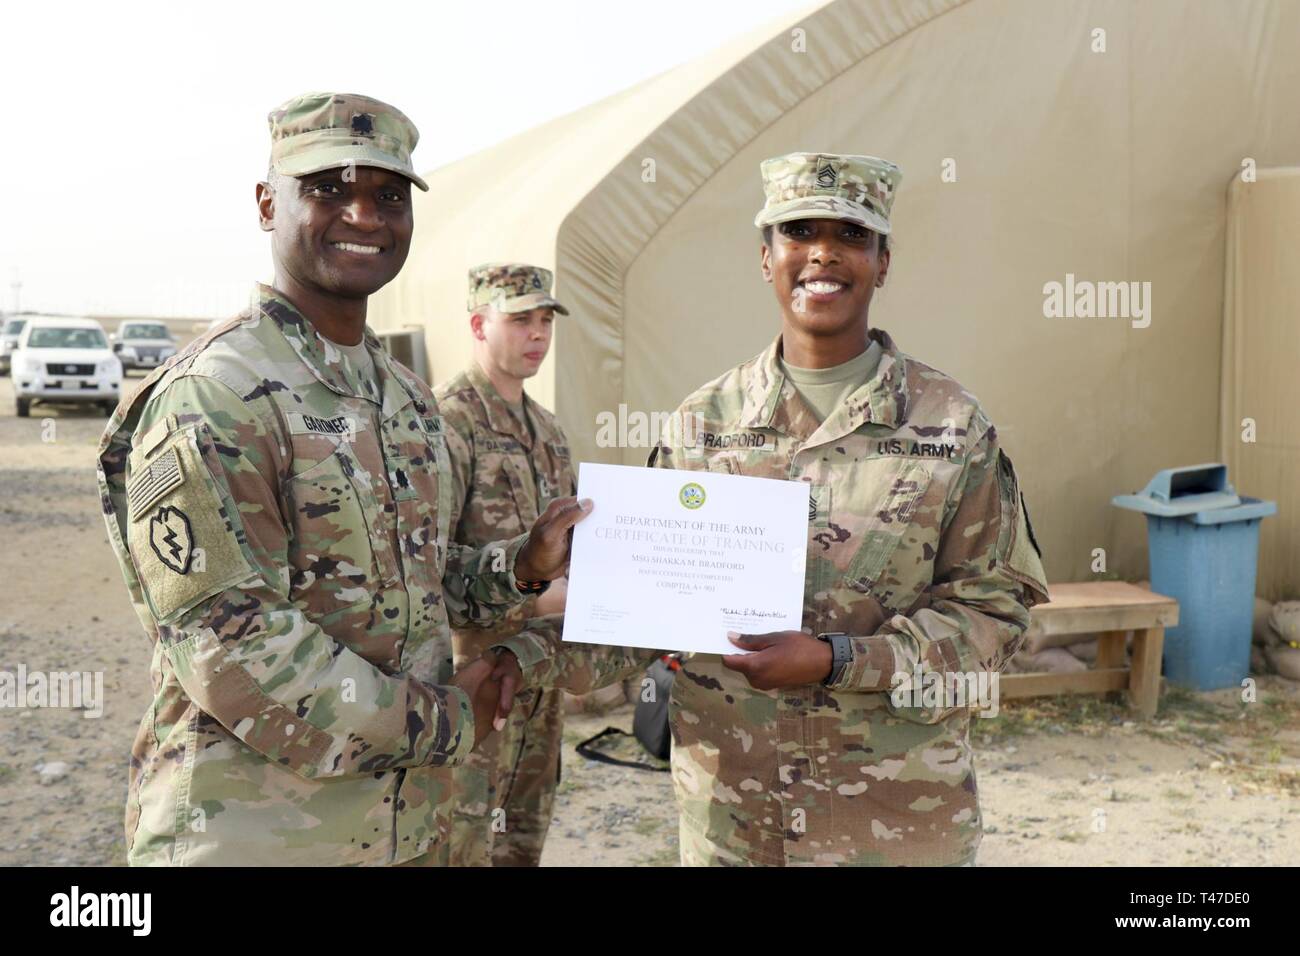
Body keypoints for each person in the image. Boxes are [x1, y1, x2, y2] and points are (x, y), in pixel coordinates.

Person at [495, 151, 1049, 866]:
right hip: (736, 820)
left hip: (893, 822)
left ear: (883, 262)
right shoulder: (704, 424)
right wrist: (523, 660)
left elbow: (995, 614)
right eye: (799, 232)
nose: (823, 252)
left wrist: (836, 660)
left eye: (851, 235)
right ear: (766, 258)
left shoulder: (951, 425)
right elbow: (640, 613)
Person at [95, 92, 583, 866]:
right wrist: (445, 722)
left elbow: (414, 585)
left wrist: (518, 566)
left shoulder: (404, 396)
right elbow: (233, 646)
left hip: (401, 828)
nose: (364, 216)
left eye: (388, 196)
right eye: (329, 189)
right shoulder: (216, 393)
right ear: (267, 204)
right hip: (257, 836)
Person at [435, 263, 576, 866]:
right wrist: (538, 597)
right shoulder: (448, 423)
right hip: (473, 680)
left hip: (539, 675)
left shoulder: (548, 430)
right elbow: (426, 568)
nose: (537, 334)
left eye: (545, 320)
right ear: (478, 324)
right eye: (520, 320)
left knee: (522, 837)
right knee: (462, 840)